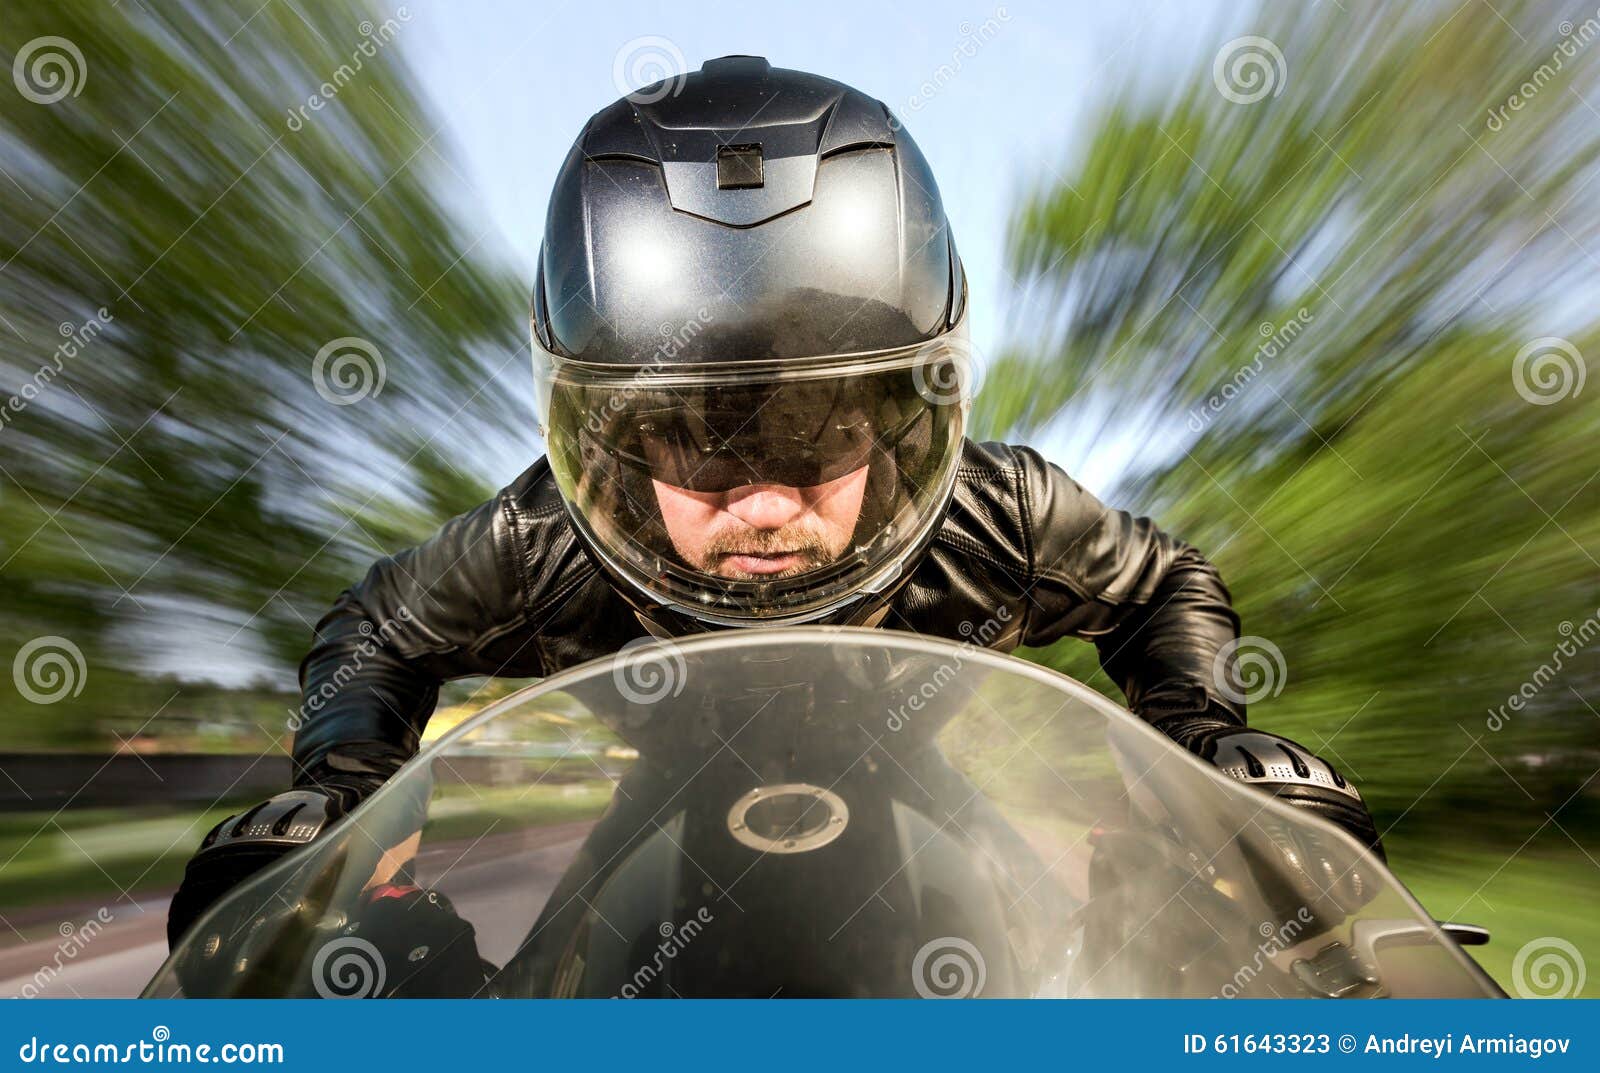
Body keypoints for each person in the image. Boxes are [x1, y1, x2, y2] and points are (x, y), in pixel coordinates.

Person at [168, 56, 1383, 951]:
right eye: (686, 444)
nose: (757, 500)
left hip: (927, 779)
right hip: (658, 800)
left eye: (817, 435)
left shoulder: (997, 510)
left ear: (910, 418)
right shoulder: (544, 539)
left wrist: (1202, 757)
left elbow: (1161, 583)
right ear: (602, 441)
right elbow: (379, 626)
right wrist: (341, 813)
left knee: (1125, 946)